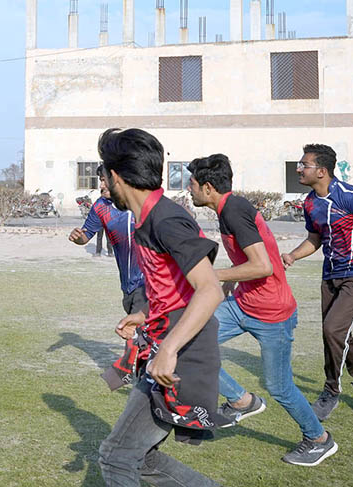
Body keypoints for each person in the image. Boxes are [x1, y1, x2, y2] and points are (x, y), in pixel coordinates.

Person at [187, 154, 336, 466]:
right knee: (192, 346)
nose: (189, 190)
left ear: (209, 188)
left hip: (273, 314)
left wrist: (215, 276)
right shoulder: (228, 208)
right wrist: (226, 286)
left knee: (279, 387)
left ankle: (318, 439)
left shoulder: (234, 210)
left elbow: (262, 266)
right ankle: (242, 401)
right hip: (243, 303)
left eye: (192, 184)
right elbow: (250, 259)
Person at [95, 128, 224, 487]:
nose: (102, 184)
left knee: (117, 457)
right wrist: (145, 314)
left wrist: (168, 349)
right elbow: (177, 287)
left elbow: (210, 289)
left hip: (182, 354)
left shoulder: (166, 219)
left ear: (116, 176)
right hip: (167, 346)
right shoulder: (147, 219)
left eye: (103, 176)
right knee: (142, 459)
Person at [282, 144, 353, 422]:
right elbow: (315, 239)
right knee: (334, 331)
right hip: (331, 273)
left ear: (321, 171)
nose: (299, 168)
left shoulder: (352, 197)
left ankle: (330, 392)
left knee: (333, 329)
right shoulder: (310, 202)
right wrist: (293, 255)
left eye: (304, 164)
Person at [69, 164, 147, 391]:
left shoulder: (140, 205)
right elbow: (86, 235)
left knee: (139, 333)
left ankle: (131, 376)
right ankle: (139, 377)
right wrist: (78, 238)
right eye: (99, 180)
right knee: (140, 335)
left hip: (149, 284)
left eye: (104, 180)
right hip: (128, 286)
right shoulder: (101, 207)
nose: (100, 185)